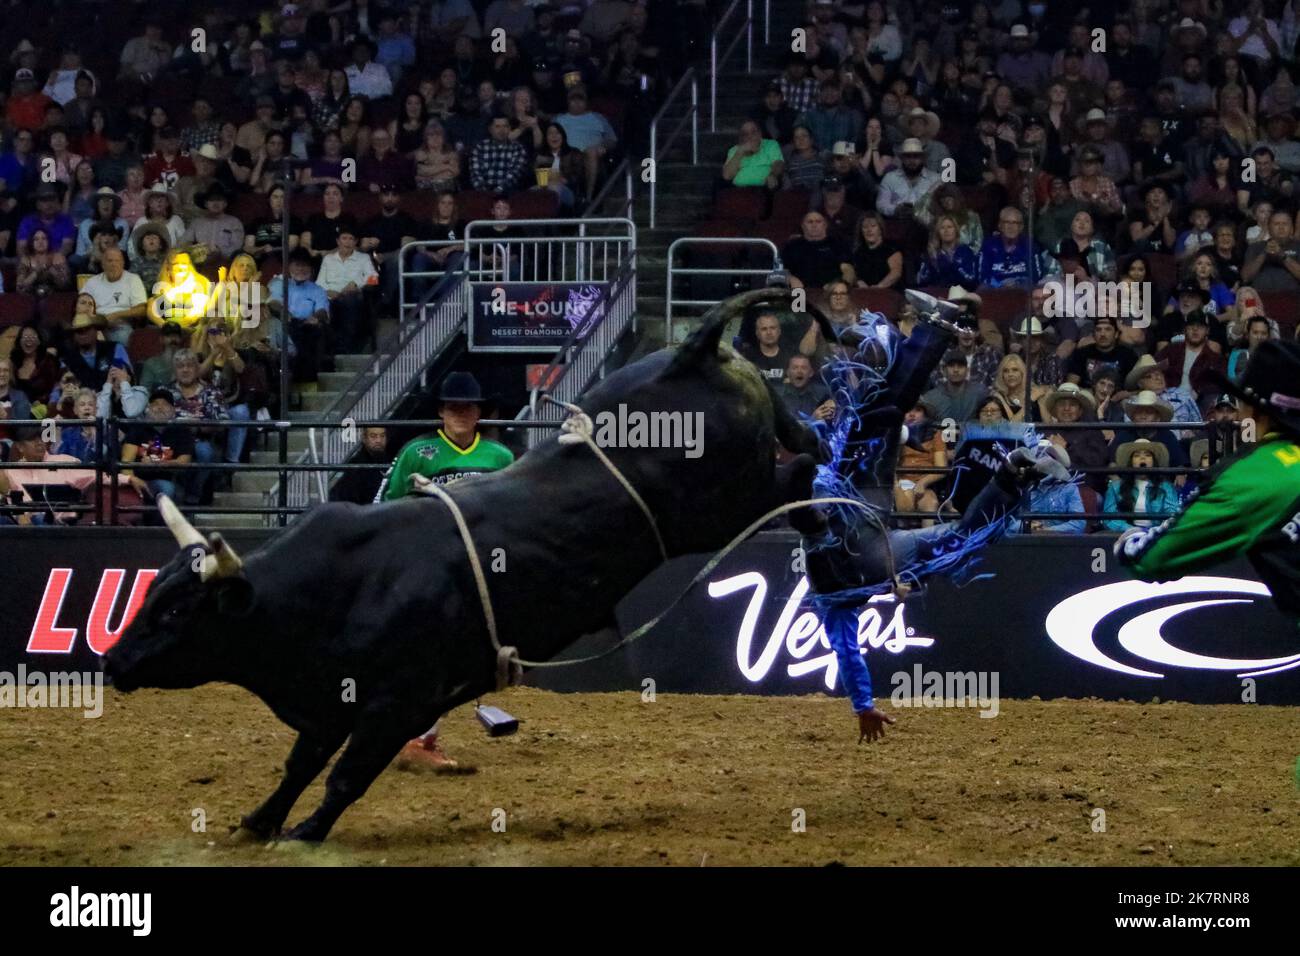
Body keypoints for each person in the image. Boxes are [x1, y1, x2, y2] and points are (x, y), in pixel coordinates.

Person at [794, 290, 1070, 742]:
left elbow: (846, 651)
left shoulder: (832, 600)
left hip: (866, 534)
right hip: (865, 521)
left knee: (958, 534)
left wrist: (863, 704)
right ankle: (918, 337)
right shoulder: (828, 581)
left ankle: (1012, 473)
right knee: (881, 417)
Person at [383, 371, 515, 770]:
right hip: (428, 562)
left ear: (479, 413)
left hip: (475, 565)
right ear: (441, 411)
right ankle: (417, 737)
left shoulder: (500, 458)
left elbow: (513, 511)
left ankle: (412, 733)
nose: (460, 413)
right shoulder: (417, 453)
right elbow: (388, 506)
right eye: (453, 407)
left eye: (467, 407)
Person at [1117, 341, 1300, 619]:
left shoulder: (1252, 477)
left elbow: (1150, 558)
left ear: (1255, 412)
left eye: (1241, 403)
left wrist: (1128, 541)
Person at [119, 387, 197, 518]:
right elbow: (126, 461)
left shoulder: (182, 431)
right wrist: (132, 480)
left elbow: (184, 462)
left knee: (167, 488)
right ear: (148, 409)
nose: (160, 408)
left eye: (165, 404)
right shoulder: (138, 429)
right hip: (138, 478)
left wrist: (158, 463)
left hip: (167, 481)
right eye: (155, 404)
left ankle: (159, 528)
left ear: (173, 410)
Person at [0, 426, 96, 525]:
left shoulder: (65, 462)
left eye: (42, 438)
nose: (39, 443)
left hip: (63, 526)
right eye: (32, 439)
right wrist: (22, 516)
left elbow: (101, 477)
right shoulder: (10, 472)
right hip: (24, 526)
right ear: (20, 446)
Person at [317, 225, 378, 355]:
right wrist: (328, 291)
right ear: (338, 241)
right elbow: (319, 283)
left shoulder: (363, 258)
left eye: (351, 239)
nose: (348, 242)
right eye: (344, 238)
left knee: (350, 301)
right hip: (331, 296)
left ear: (355, 242)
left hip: (352, 296)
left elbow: (374, 278)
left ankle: (347, 347)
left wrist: (357, 284)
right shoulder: (328, 259)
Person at [1102, 438, 1181, 531]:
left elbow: (1171, 515)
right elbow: (1109, 518)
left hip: (1156, 534)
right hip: (1125, 534)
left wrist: (1154, 532)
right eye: (1136, 455)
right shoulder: (1115, 487)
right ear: (1131, 462)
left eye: (1148, 455)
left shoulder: (1166, 487)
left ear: (1153, 461)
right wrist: (1132, 530)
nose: (1142, 458)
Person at [781, 211, 853, 289]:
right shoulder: (792, 246)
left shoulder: (838, 244)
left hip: (831, 291)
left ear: (825, 225)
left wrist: (838, 285)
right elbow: (780, 270)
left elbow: (849, 270)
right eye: (810, 222)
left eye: (818, 222)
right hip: (799, 291)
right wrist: (791, 279)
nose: (814, 225)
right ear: (802, 226)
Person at [921, 348, 988, 424]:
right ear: (944, 370)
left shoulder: (980, 393)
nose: (956, 370)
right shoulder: (931, 398)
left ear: (967, 370)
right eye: (951, 366)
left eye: (960, 366)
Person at [330, 426, 392, 505]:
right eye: (373, 436)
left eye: (382, 436)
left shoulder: (389, 460)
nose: (378, 440)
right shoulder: (355, 466)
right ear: (364, 438)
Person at [776, 353, 833, 421]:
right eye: (795, 368)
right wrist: (812, 420)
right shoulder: (777, 395)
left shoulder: (823, 394)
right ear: (788, 373)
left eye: (804, 368)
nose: (799, 371)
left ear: (811, 373)